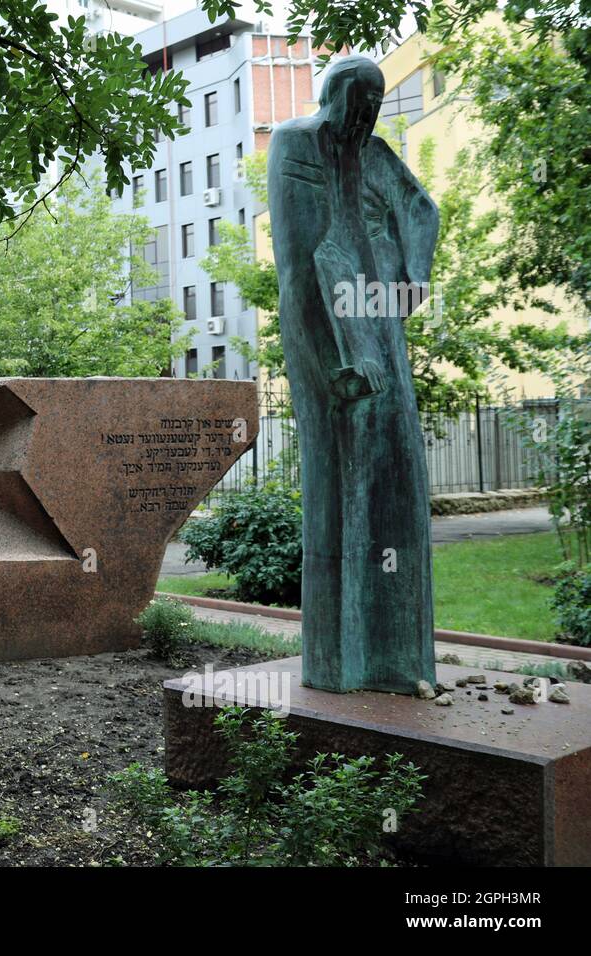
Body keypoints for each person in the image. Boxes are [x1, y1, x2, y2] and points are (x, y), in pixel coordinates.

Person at [267, 55, 440, 694]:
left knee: (396, 475)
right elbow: (299, 260)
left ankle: (394, 660)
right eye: (358, 97)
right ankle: (340, 661)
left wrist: (410, 277)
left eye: (377, 99)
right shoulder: (295, 144)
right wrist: (337, 356)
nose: (367, 112)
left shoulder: (375, 155)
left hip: (379, 325)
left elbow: (420, 209)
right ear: (335, 93)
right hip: (325, 330)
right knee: (341, 484)